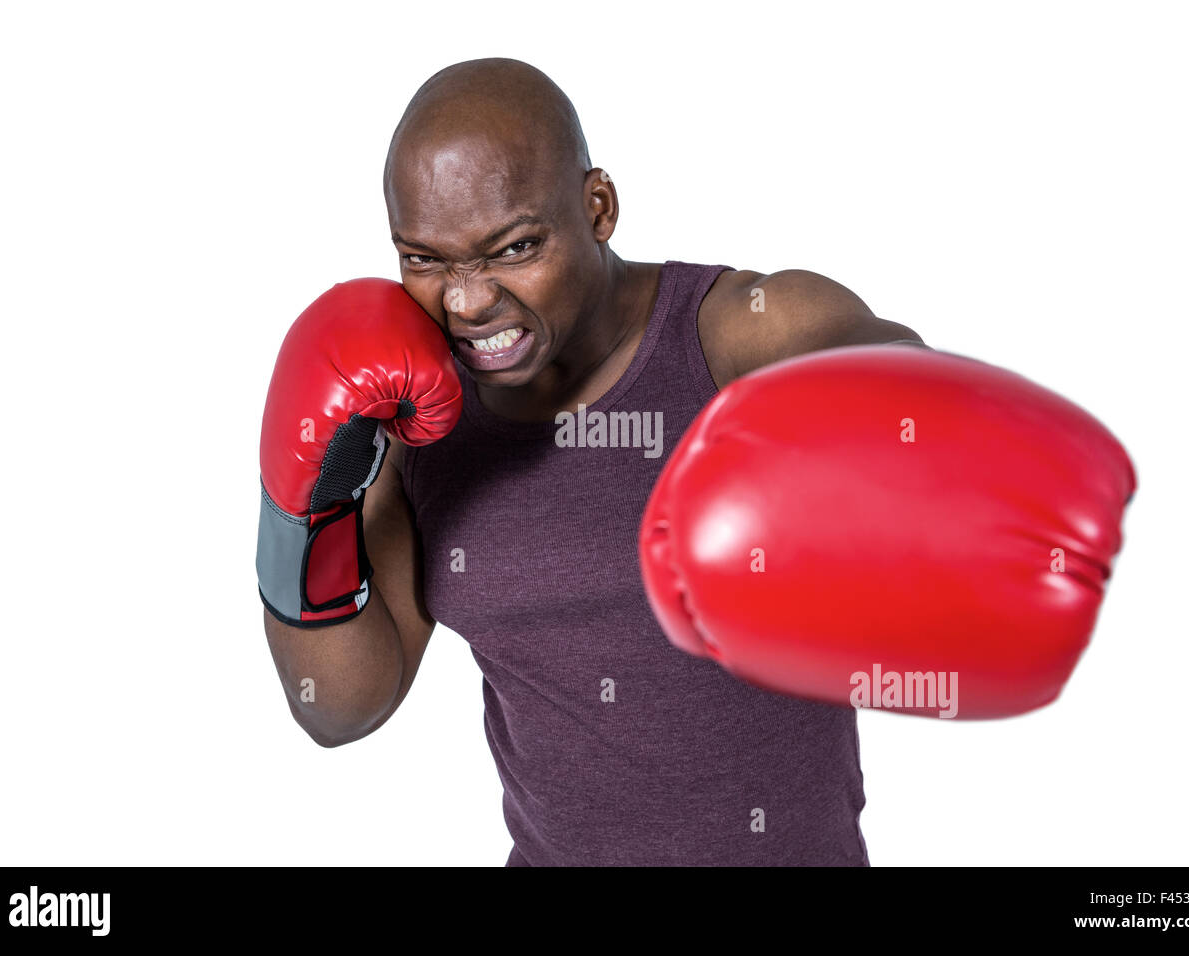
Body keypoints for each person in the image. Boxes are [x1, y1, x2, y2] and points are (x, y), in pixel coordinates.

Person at [260, 57, 928, 866]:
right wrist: (302, 504)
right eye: (425, 259)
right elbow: (337, 709)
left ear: (598, 207)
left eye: (512, 248)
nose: (467, 301)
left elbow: (912, 398)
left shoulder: (737, 335)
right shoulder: (418, 428)